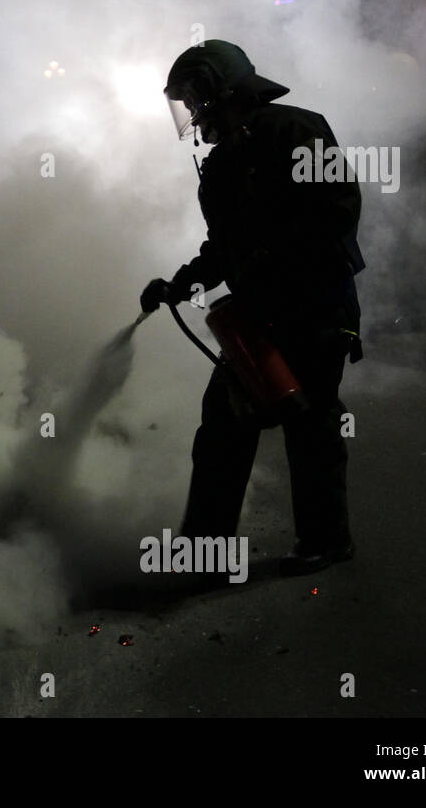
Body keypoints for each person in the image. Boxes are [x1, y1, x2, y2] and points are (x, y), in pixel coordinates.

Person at [141, 40, 365, 577]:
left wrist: (272, 256)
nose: (193, 115)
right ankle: (206, 557)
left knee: (310, 429)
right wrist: (180, 284)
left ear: (222, 90)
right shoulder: (220, 166)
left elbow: (338, 209)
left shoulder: (297, 130)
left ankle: (326, 541)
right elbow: (224, 247)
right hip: (261, 315)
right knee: (222, 427)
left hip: (314, 310)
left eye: (195, 100)